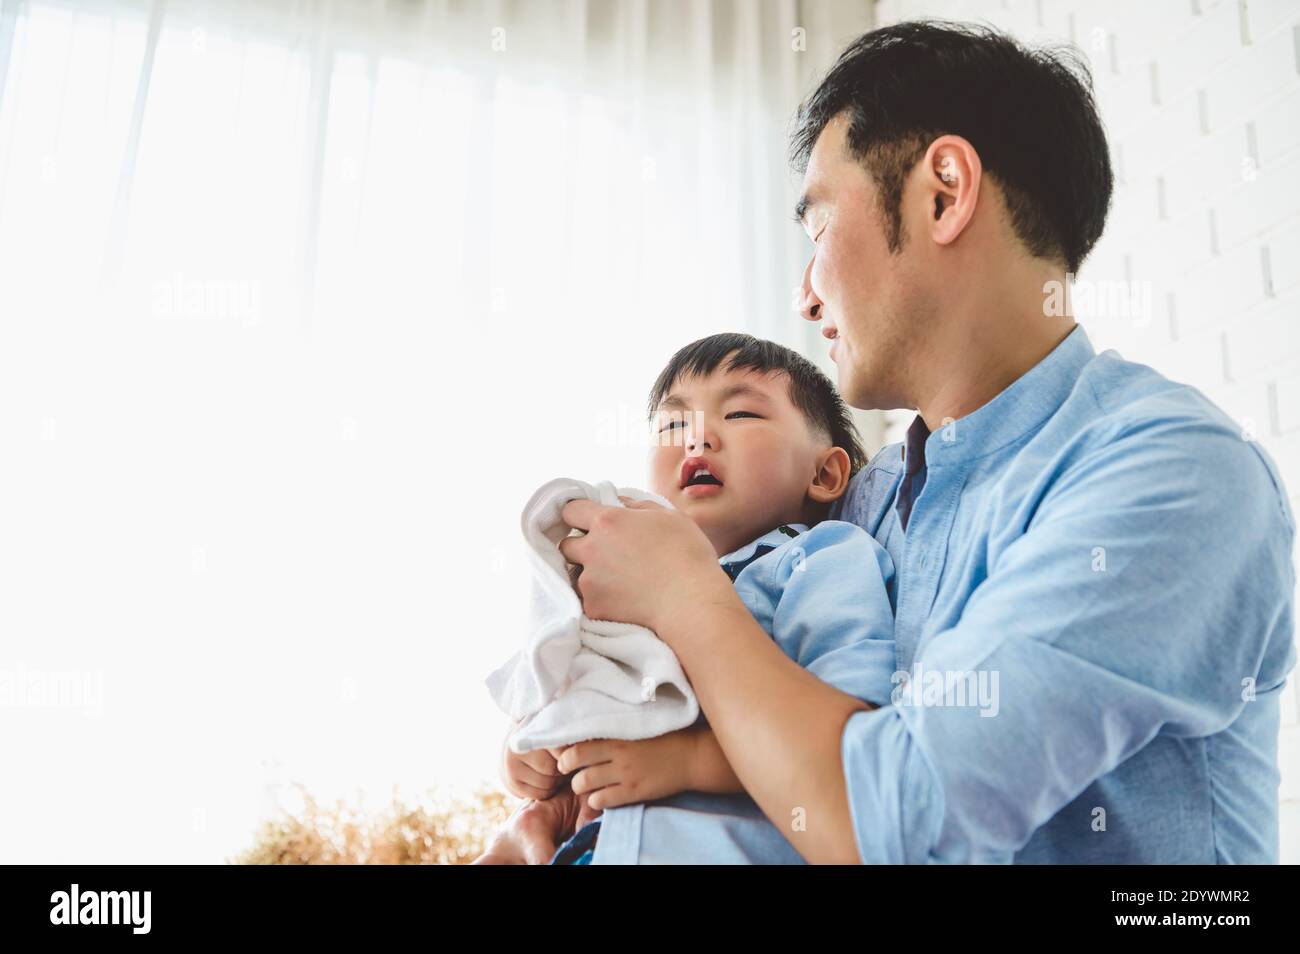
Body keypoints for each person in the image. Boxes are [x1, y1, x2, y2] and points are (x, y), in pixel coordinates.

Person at [515, 20, 1295, 863]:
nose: (805, 297)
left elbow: (902, 825)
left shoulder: (1172, 475)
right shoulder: (860, 502)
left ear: (943, 191)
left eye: (817, 231)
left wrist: (687, 598)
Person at [476, 333, 898, 864]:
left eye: (742, 414)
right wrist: (529, 753)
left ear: (824, 472)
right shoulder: (619, 577)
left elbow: (858, 728)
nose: (696, 437)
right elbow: (564, 684)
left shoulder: (821, 558)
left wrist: (690, 760)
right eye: (674, 425)